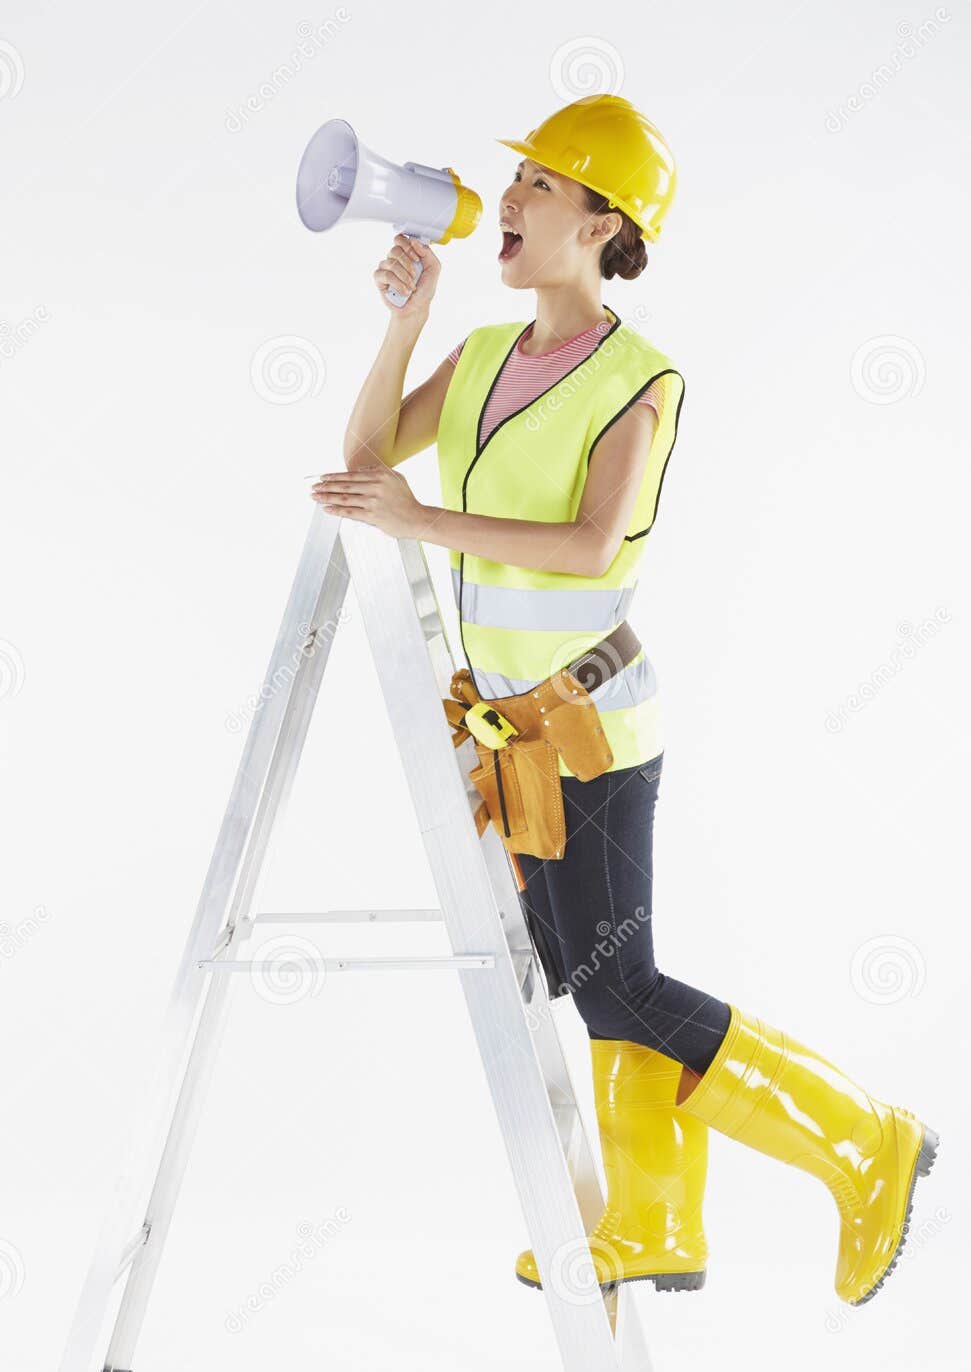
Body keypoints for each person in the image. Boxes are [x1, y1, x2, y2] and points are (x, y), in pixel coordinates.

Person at [309, 94, 938, 1308]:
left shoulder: (640, 379)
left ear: (603, 226)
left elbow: (594, 547)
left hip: (593, 725)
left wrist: (424, 522)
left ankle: (867, 1140)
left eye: (540, 186)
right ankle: (651, 1218)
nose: (509, 198)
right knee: (587, 968)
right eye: (520, 180)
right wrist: (406, 320)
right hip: (509, 731)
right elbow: (367, 459)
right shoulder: (486, 353)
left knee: (617, 979)